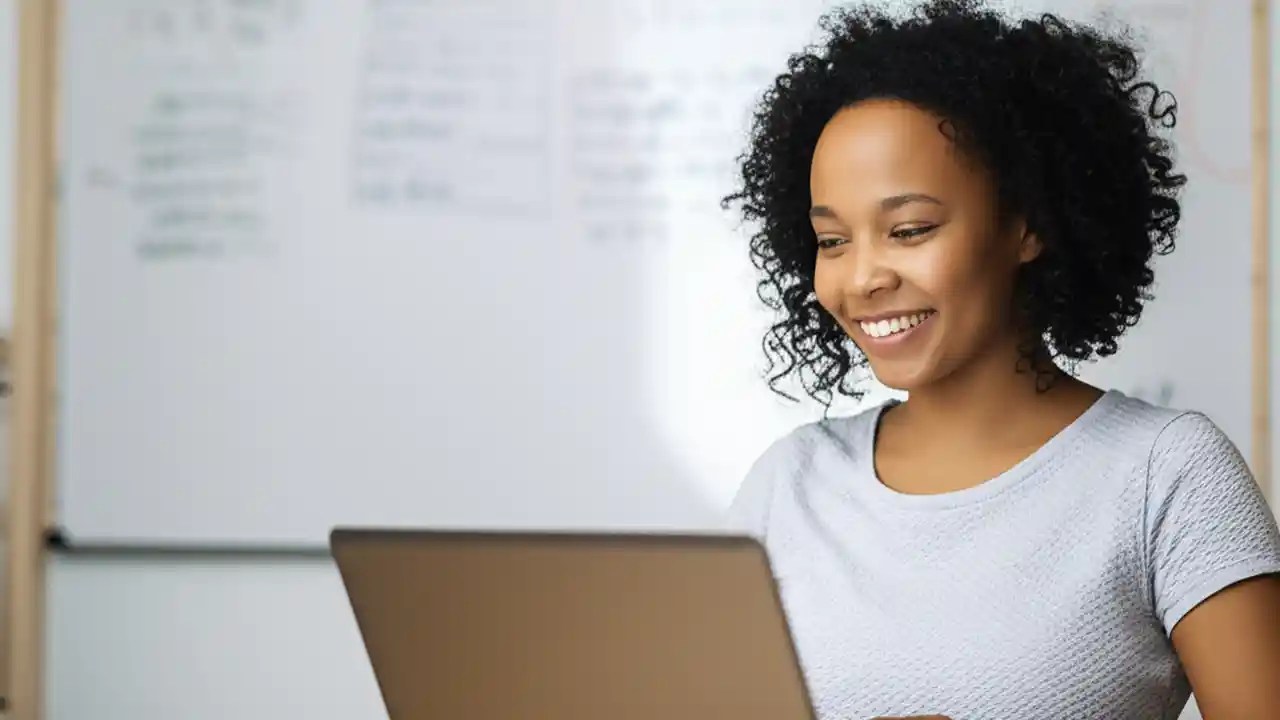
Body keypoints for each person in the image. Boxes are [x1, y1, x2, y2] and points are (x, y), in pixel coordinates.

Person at [720, 1, 1280, 718]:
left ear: (1028, 224)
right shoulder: (789, 484)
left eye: (909, 229)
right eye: (832, 241)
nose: (862, 278)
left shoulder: (1163, 476)